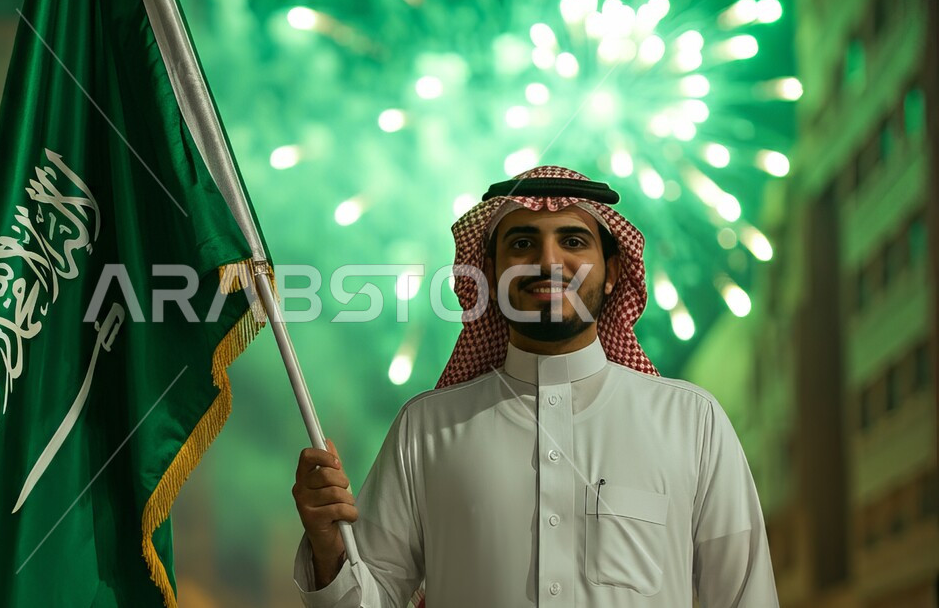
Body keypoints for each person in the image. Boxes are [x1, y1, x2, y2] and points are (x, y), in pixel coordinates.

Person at [289, 165, 779, 607]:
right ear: (492, 274)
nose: (548, 262)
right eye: (522, 243)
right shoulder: (427, 429)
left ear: (612, 275)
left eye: (573, 241)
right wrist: (329, 545)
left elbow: (745, 596)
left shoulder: (691, 422)